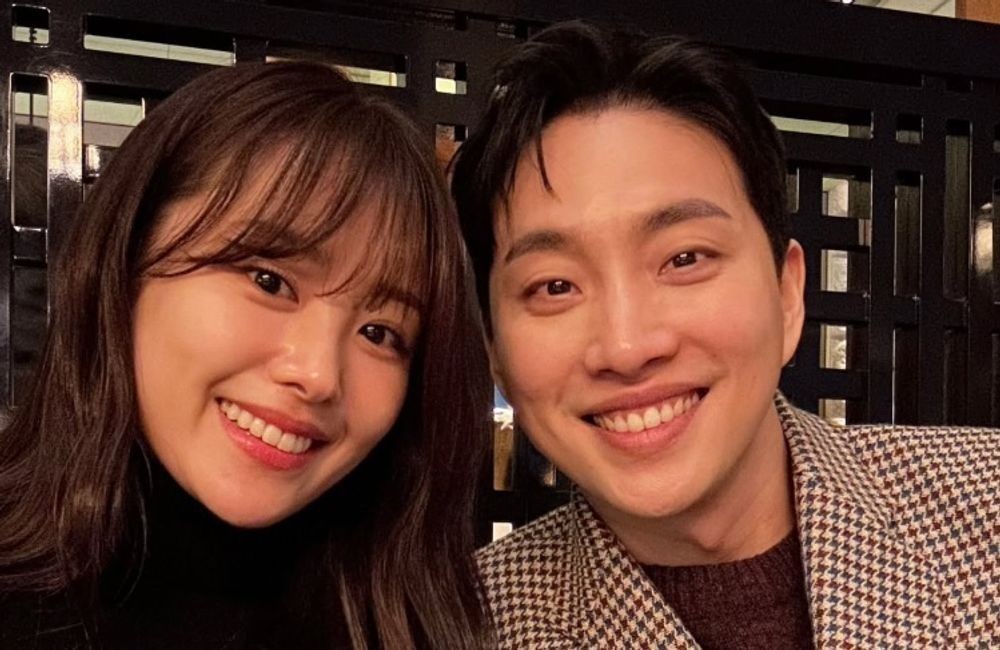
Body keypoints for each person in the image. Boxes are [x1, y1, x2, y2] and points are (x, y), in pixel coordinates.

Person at [451, 21, 999, 648]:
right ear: (494, 352)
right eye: (554, 286)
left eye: (684, 258)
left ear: (787, 293)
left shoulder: (984, 504)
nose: (627, 347)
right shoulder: (462, 627)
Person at [0, 61, 492, 649]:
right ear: (126, 260)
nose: (318, 374)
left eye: (379, 333)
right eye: (269, 281)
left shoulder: (418, 625)